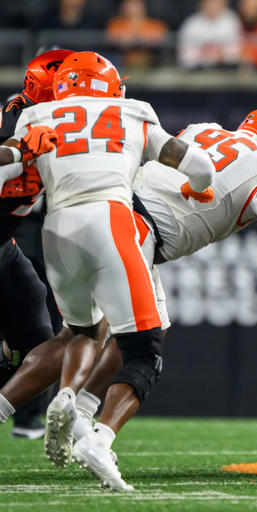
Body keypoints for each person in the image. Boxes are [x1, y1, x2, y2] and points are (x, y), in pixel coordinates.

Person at [0, 109, 257, 459]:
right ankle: (97, 432)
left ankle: (81, 409)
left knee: (93, 330)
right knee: (144, 348)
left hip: (92, 213)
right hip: (135, 234)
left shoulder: (205, 130)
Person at [0, 51, 216, 491]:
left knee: (73, 333)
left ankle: (66, 399)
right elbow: (200, 166)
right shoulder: (130, 113)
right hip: (110, 224)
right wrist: (200, 188)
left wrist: (18, 150)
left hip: (51, 235)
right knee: (144, 348)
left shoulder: (35, 117)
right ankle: (94, 434)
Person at [0, 49, 74, 439]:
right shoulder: (13, 117)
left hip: (4, 245)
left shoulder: (73, 121)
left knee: (39, 336)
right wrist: (19, 151)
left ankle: (26, 417)